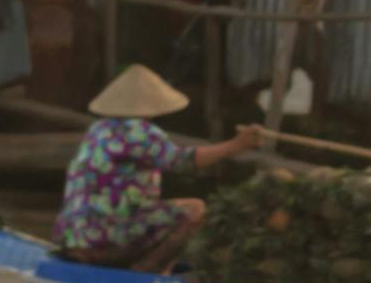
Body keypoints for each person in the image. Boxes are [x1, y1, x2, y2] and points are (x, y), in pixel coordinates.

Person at [58, 63, 262, 271]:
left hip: (75, 234)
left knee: (168, 208)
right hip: (105, 235)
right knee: (195, 209)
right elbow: (184, 161)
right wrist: (236, 145)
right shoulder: (139, 131)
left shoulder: (97, 129)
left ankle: (131, 260)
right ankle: (147, 268)